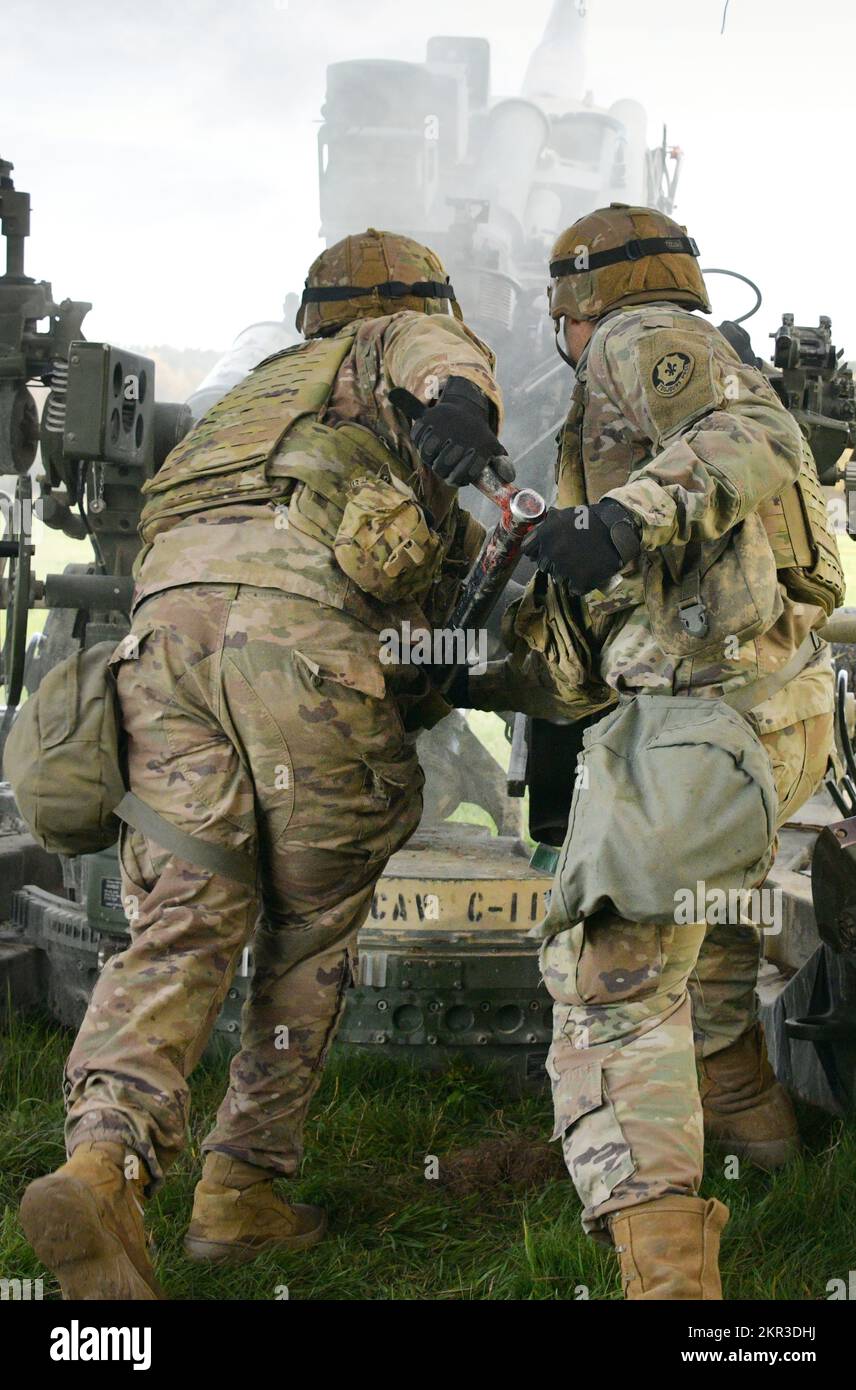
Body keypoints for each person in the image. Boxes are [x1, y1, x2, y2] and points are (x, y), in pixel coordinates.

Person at [19, 228, 508, 1299]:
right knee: (305, 932)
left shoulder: (244, 398)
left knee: (181, 914)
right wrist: (465, 409)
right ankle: (238, 1191)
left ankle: (102, 1164)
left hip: (160, 655)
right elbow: (442, 368)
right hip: (300, 655)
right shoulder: (398, 334)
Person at [467, 203, 843, 1299]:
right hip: (768, 714)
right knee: (708, 926)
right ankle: (748, 1123)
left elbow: (762, 442)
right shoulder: (636, 387)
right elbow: (596, 643)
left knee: (612, 976)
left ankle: (667, 1288)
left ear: (579, 300)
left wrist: (617, 519)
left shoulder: (636, 339)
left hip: (703, 721)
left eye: (553, 306)